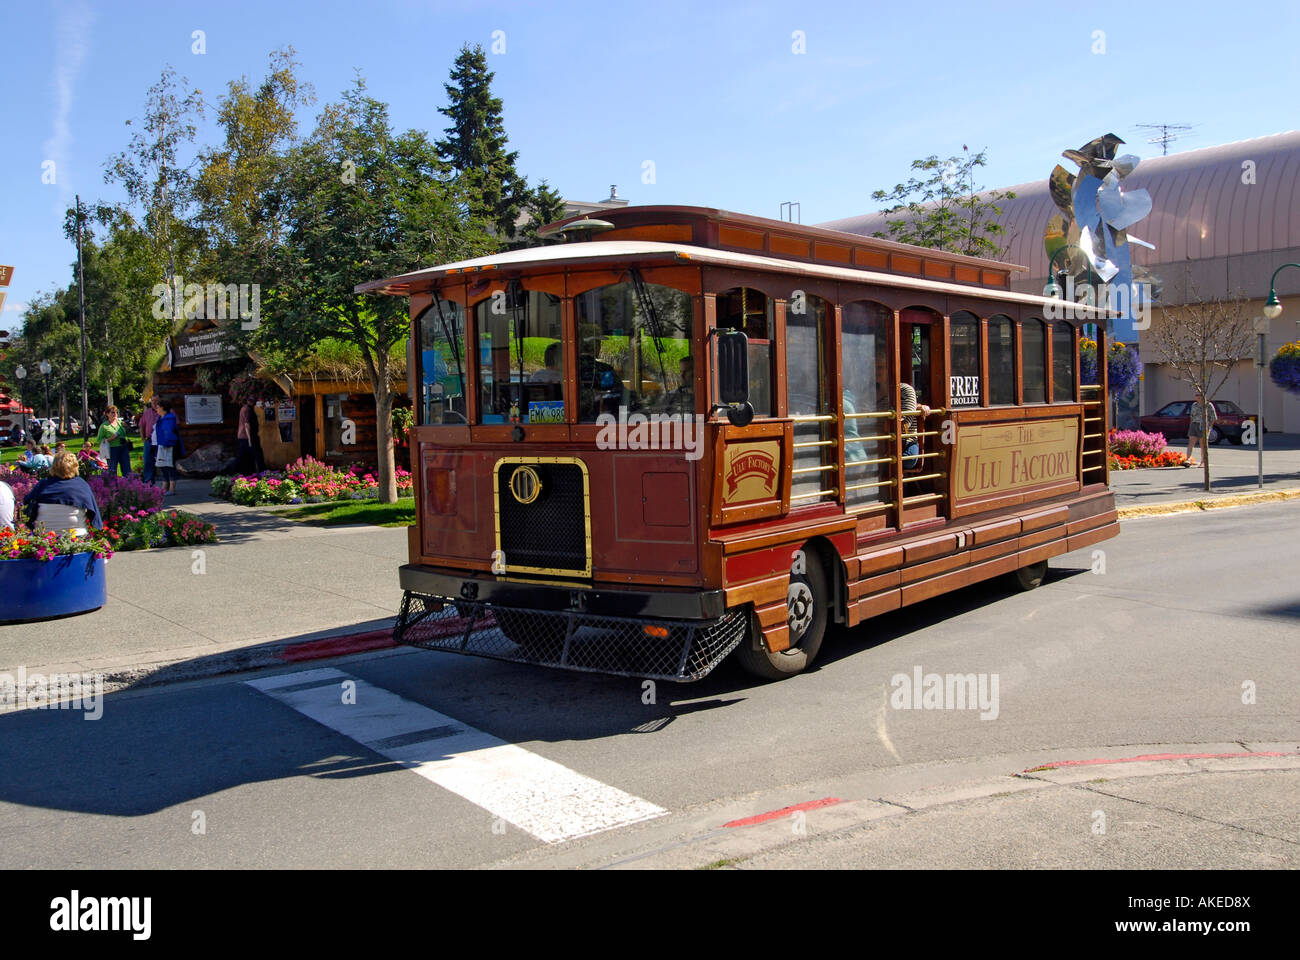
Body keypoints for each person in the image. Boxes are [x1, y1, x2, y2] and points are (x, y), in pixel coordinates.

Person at [23, 451, 102, 535]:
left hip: (45, 536)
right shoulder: (81, 485)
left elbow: (26, 501)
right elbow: (93, 513)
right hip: (76, 536)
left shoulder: (43, 484)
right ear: (75, 466)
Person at [152, 397, 183, 496]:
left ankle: (171, 488)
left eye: (158, 407)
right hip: (161, 445)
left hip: (168, 446)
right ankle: (164, 486)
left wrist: (167, 443)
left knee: (169, 466)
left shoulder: (169, 418)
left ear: (163, 408)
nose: (156, 409)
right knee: (163, 466)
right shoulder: (161, 418)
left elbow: (168, 432)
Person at [95, 405, 131, 477]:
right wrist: (110, 439)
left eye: (116, 412)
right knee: (112, 469)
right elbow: (99, 440)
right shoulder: (104, 426)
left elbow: (127, 432)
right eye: (112, 412)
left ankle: (129, 484)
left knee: (126, 468)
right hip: (112, 449)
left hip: (123, 447)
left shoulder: (120, 423)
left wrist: (126, 427)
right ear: (107, 414)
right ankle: (113, 485)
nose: (115, 414)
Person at [1185, 390, 1217, 467]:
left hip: (1203, 425)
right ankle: (1188, 460)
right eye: (1196, 395)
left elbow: (1213, 418)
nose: (1198, 396)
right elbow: (1191, 416)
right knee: (1191, 442)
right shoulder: (1194, 405)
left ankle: (1203, 462)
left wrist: (1209, 427)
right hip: (1194, 425)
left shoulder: (1208, 405)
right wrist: (1191, 425)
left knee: (1203, 445)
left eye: (1199, 395)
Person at [139, 396, 160, 486]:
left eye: (156, 401)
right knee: (148, 461)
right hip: (149, 440)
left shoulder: (165, 412)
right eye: (153, 401)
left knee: (162, 461)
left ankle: (165, 482)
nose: (154, 403)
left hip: (161, 441)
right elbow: (141, 425)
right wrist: (142, 437)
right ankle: (148, 482)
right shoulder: (147, 413)